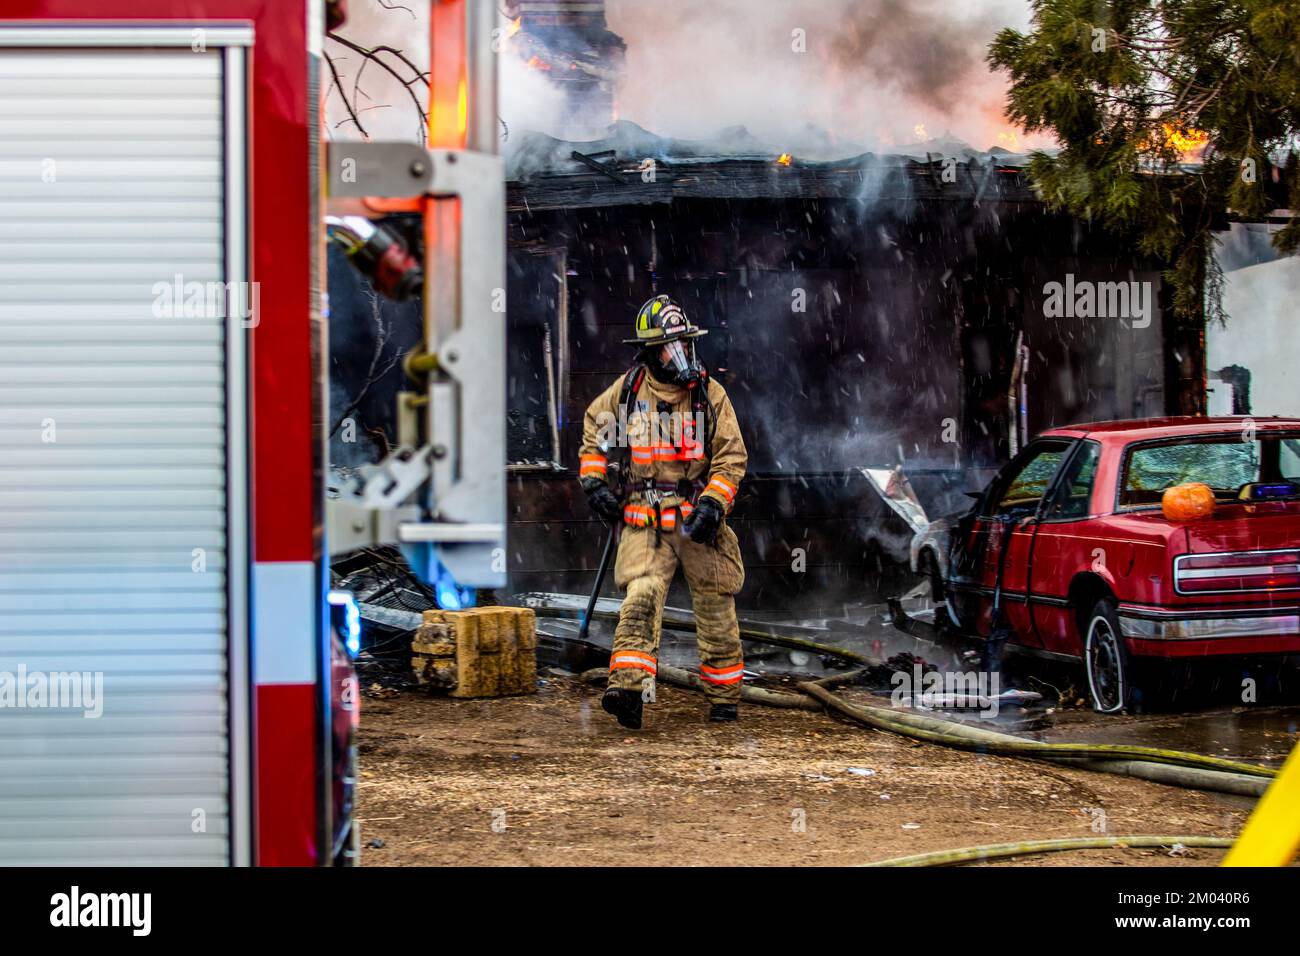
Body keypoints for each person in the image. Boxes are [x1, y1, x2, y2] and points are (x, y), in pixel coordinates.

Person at [578, 294, 748, 729]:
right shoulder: (629, 391)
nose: (680, 355)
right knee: (641, 597)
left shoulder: (711, 396)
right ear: (650, 354)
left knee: (715, 606)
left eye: (684, 345)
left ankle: (724, 698)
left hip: (697, 519)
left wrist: (713, 502)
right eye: (669, 348)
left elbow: (731, 457)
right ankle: (629, 691)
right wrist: (594, 481)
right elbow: (595, 427)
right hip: (645, 517)